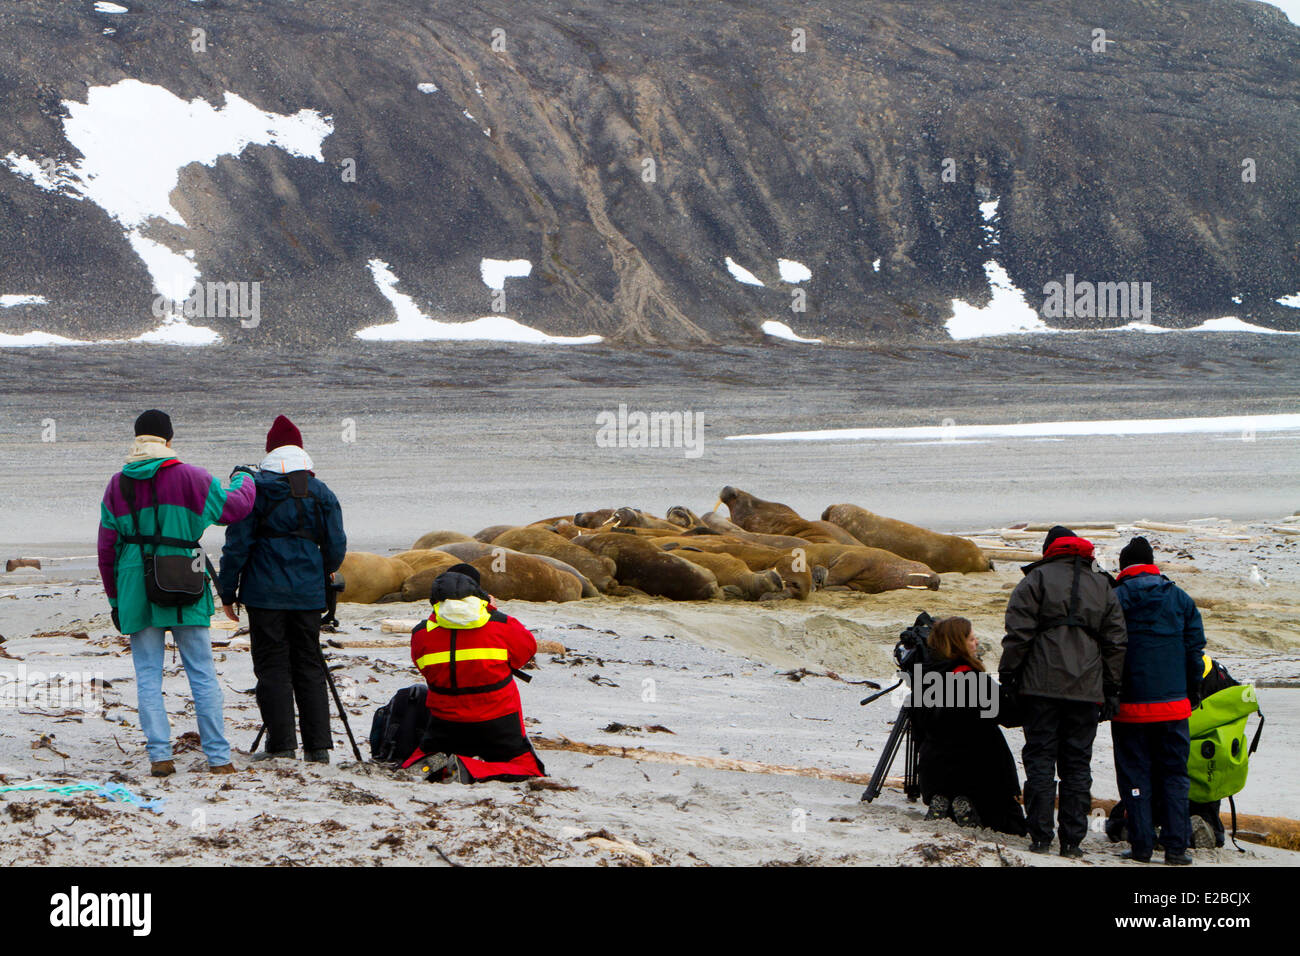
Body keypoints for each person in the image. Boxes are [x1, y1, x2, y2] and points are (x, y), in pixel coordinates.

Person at [97, 409, 256, 777]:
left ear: (137, 439)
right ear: (169, 440)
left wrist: (115, 601)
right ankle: (219, 759)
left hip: (135, 580)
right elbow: (236, 508)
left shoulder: (117, 484)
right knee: (201, 671)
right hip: (186, 571)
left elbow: (107, 551)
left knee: (148, 674)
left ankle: (160, 757)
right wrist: (245, 478)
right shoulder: (194, 477)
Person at [218, 415, 346, 763]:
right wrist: (325, 572)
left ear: (269, 452)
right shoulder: (321, 492)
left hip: (264, 594)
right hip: (307, 594)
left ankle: (282, 746)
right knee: (309, 664)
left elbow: (236, 546)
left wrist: (227, 593)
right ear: (301, 450)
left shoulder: (254, 489)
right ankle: (318, 748)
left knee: (272, 666)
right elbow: (335, 546)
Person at [1000, 524, 1127, 857]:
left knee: (1040, 759)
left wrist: (1009, 675)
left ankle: (1041, 836)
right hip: (1086, 689)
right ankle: (1072, 842)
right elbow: (1116, 642)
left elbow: (1017, 635)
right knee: (1077, 765)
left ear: (1049, 549)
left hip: (1040, 687)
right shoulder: (1102, 584)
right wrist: (1112, 688)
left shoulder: (1034, 581)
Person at [1110, 536, 1205, 865]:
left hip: (1130, 707)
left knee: (1135, 775)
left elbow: (1105, 652)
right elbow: (1196, 653)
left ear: (1123, 567)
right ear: (1152, 563)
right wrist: (1193, 694)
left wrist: (1108, 695)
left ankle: (1142, 846)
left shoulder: (1115, 598)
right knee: (1175, 774)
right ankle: (1176, 848)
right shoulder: (1179, 598)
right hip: (1173, 705)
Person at [405, 564, 545, 783]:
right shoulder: (502, 624)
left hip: (445, 724)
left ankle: (430, 768)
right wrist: (493, 611)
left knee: (425, 756)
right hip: (497, 721)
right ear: (479, 593)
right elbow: (526, 651)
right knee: (528, 768)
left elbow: (425, 669)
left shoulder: (422, 633)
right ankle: (468, 769)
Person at [915, 617, 1027, 836]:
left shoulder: (925, 676)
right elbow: (1011, 715)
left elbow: (919, 724)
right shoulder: (973, 679)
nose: (976, 642)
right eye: (971, 638)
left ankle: (943, 798)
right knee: (1013, 826)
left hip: (934, 768)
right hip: (978, 770)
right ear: (958, 643)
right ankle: (962, 798)